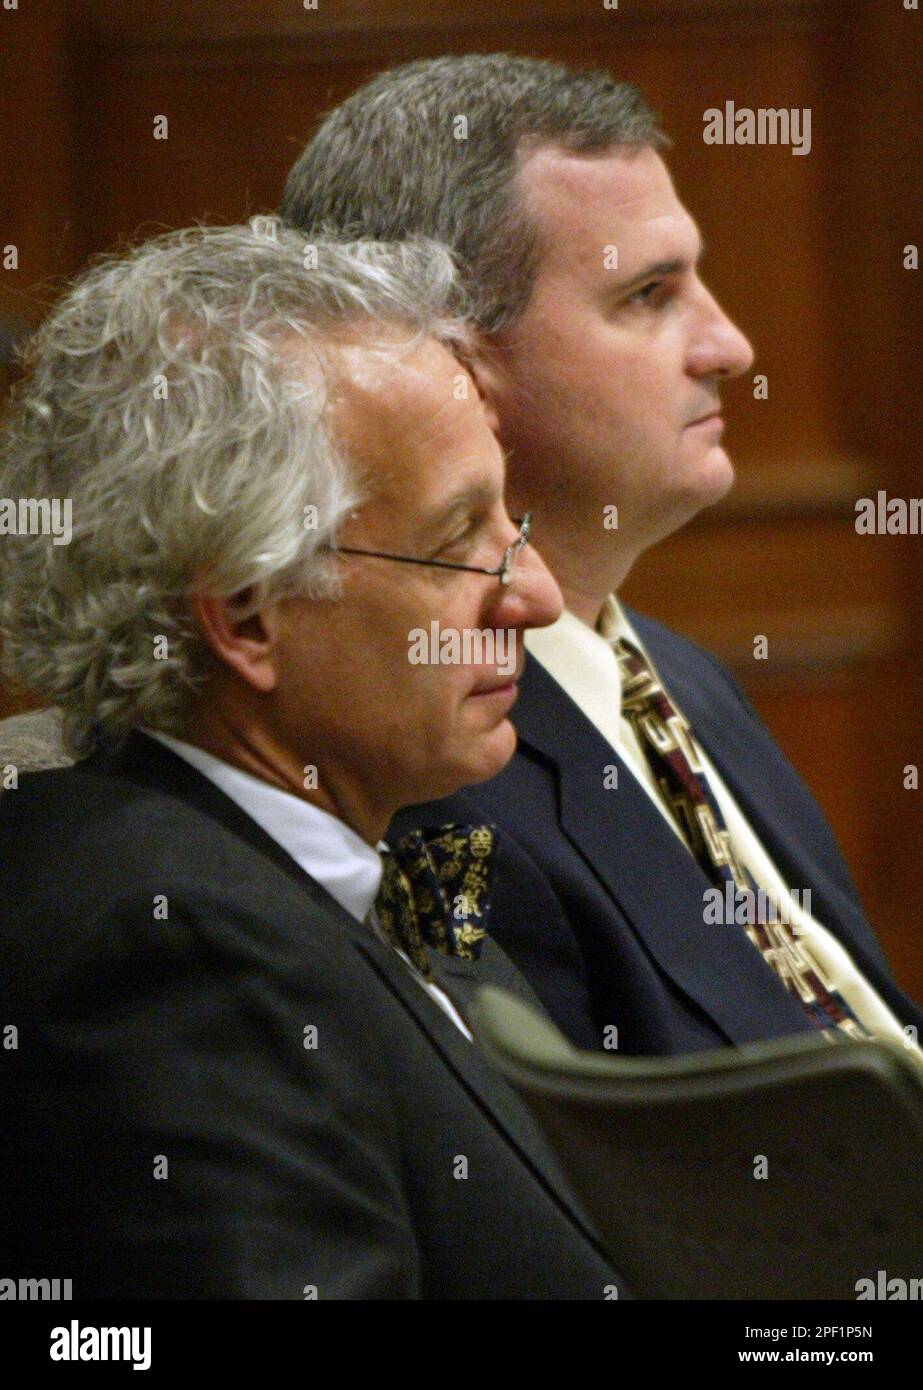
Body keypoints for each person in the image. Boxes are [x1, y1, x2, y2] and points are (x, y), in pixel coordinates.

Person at [0, 221, 628, 1298]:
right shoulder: (170, 949)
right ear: (248, 617)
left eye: (506, 521)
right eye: (453, 543)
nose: (531, 595)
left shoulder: (397, 852)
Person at [281, 53, 923, 1056]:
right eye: (647, 295)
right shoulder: (419, 764)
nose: (729, 346)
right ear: (451, 363)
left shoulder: (680, 678)